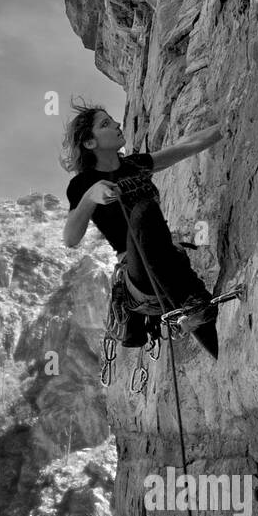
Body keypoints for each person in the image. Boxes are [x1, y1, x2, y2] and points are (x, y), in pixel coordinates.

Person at [61, 97, 225, 359]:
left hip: (171, 268)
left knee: (200, 306)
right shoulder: (83, 184)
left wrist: (225, 126)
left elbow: (186, 146)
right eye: (105, 124)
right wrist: (91, 196)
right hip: (138, 278)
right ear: (90, 142)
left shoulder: (135, 165)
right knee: (144, 210)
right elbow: (70, 238)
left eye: (111, 120)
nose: (116, 124)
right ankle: (192, 304)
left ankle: (203, 321)